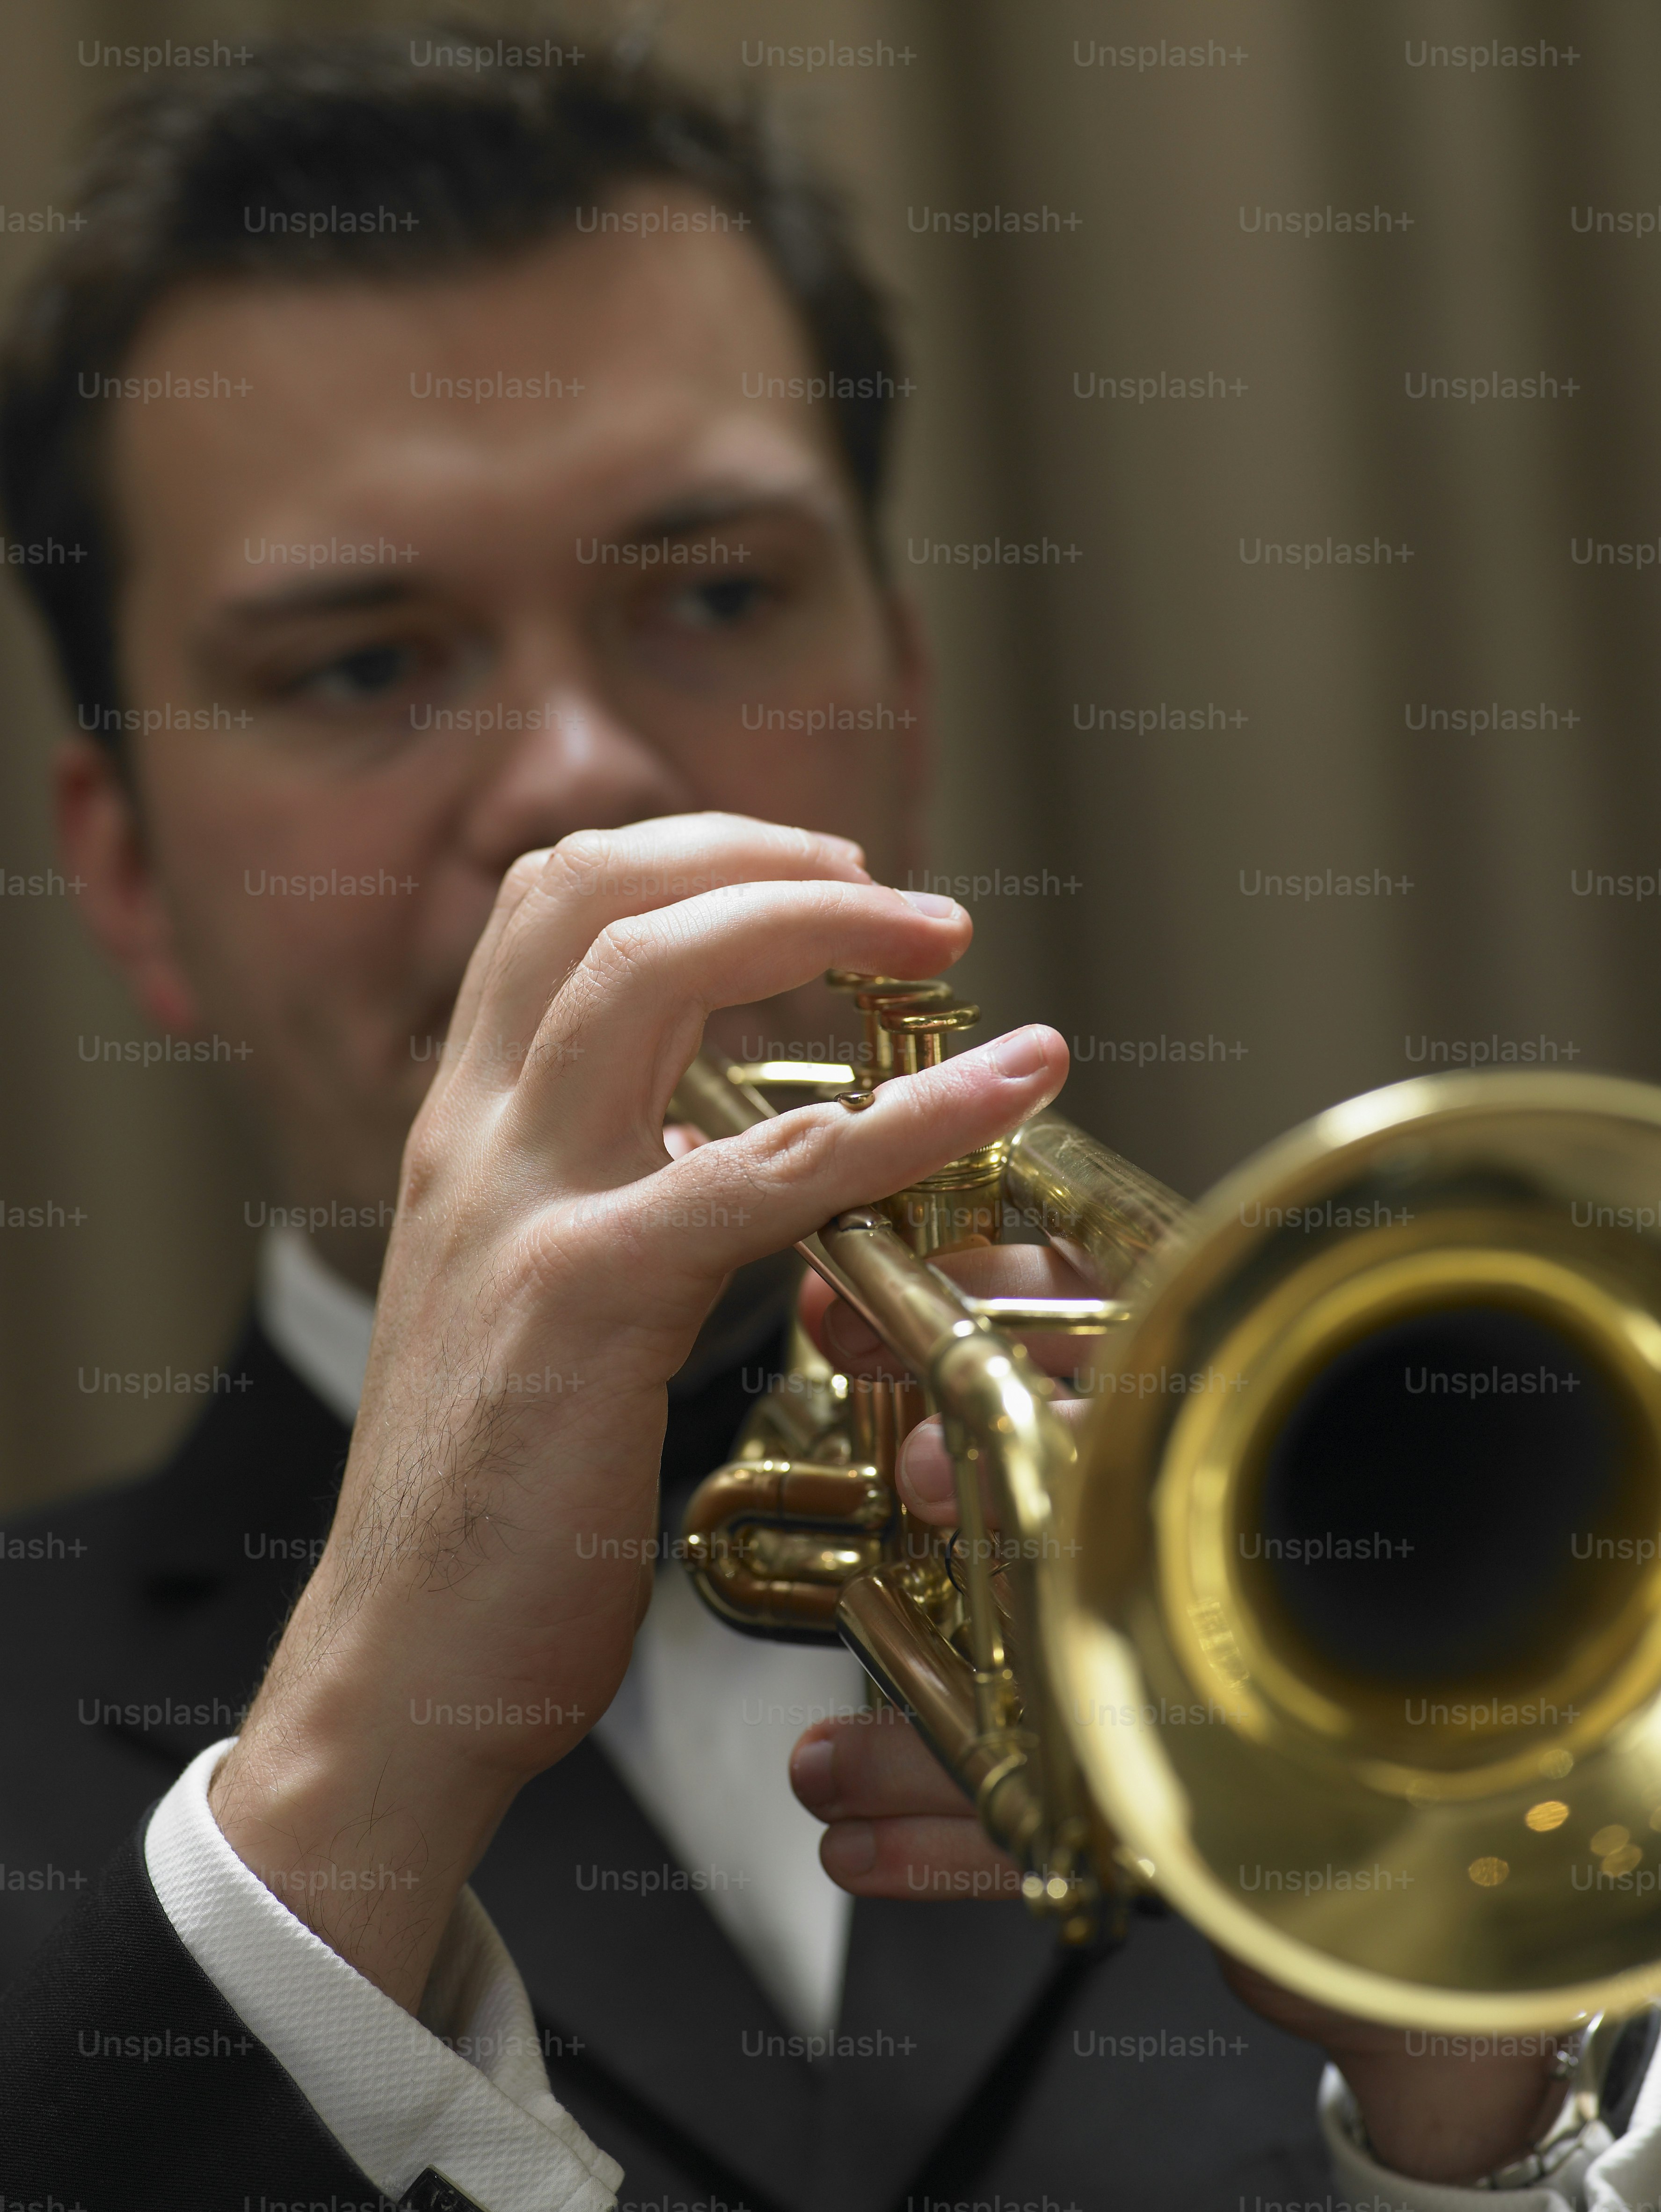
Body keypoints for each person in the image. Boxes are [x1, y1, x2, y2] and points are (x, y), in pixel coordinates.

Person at [0, 27, 1653, 2211]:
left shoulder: (1524, 1597)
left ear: (900, 691)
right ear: (127, 876)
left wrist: (1474, 2122)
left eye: (711, 594)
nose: (578, 777)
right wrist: (342, 1788)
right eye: (360, 663)